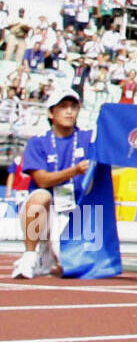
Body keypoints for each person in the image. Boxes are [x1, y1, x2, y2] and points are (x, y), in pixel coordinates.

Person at [11, 88, 93, 279]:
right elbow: (41, 180)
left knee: (70, 269)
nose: (69, 111)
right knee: (41, 195)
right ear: (51, 113)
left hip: (74, 211)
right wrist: (75, 171)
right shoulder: (38, 142)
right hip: (46, 210)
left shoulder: (88, 138)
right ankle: (30, 255)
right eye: (63, 107)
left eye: (74, 107)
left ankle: (51, 254)